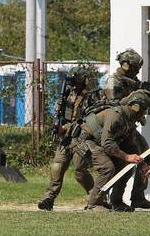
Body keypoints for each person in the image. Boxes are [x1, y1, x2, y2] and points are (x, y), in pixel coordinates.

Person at [36, 65, 102, 211]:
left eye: (74, 82)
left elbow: (90, 119)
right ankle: (49, 197)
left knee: (80, 171)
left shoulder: (91, 96)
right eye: (71, 83)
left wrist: (66, 127)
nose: (72, 86)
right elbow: (62, 116)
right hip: (67, 138)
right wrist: (58, 125)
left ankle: (95, 198)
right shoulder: (67, 96)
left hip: (83, 138)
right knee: (57, 166)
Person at [78, 89, 150, 211]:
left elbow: (131, 145)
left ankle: (116, 202)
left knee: (127, 167)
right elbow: (107, 143)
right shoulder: (116, 116)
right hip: (88, 142)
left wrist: (142, 164)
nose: (142, 115)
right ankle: (94, 204)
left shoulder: (129, 119)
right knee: (107, 167)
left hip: (102, 145)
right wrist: (126, 157)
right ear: (135, 107)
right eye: (142, 111)